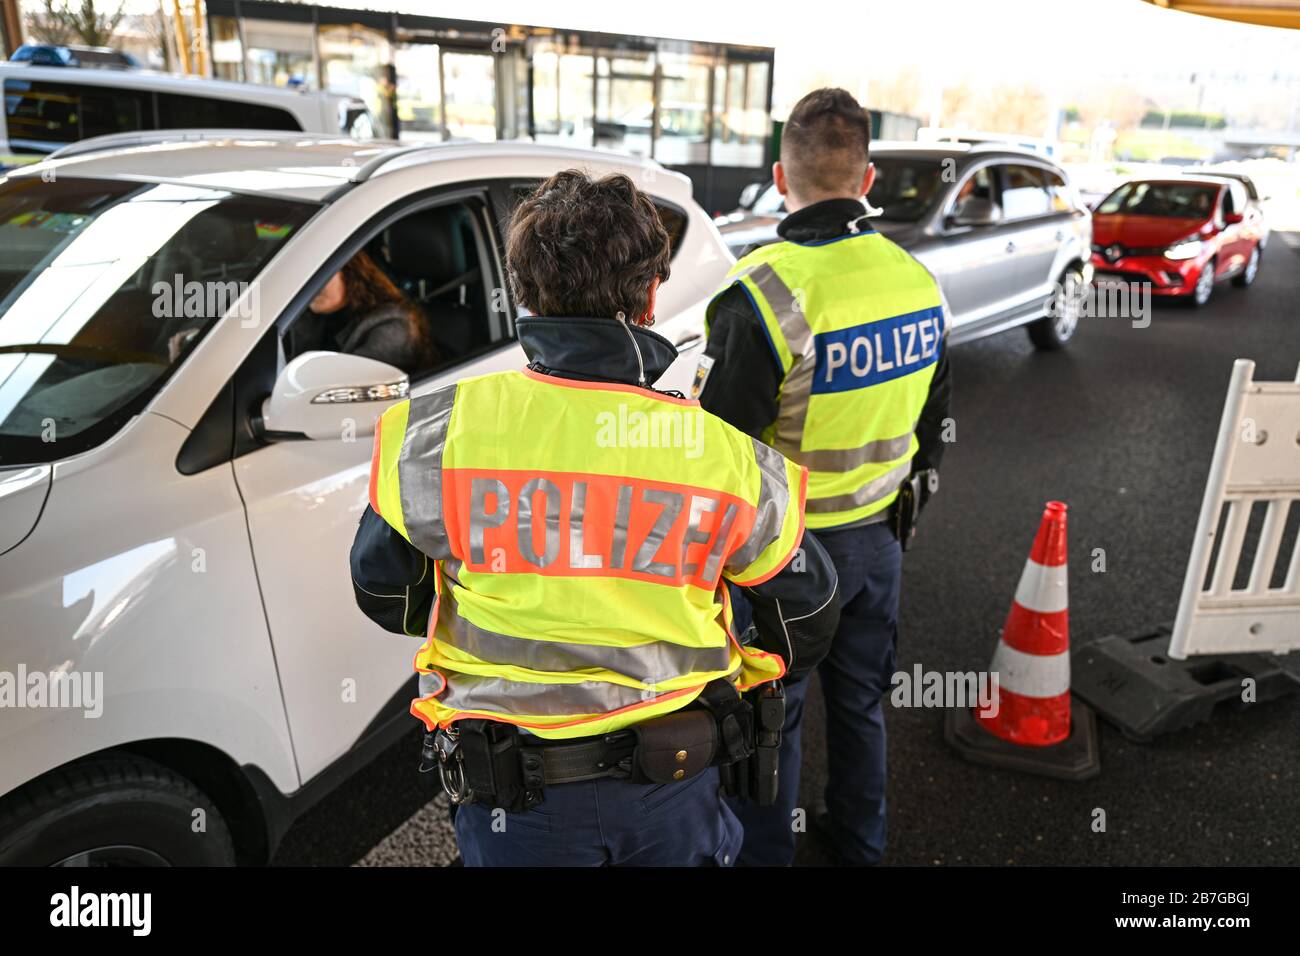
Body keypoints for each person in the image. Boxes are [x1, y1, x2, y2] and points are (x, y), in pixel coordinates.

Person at [348, 169, 840, 866]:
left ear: (523, 291)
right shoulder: (726, 457)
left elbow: (386, 593)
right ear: (648, 296)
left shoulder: (435, 434)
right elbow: (808, 612)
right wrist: (734, 672)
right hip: (672, 791)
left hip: (512, 807)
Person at [697, 88, 953, 866]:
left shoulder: (759, 293)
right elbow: (934, 427)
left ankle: (768, 856)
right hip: (880, 542)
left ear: (781, 175)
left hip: (786, 561)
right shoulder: (918, 281)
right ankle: (860, 846)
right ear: (867, 178)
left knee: (774, 722)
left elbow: (720, 453)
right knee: (863, 707)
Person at [287, 250, 437, 373]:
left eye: (320, 276)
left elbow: (350, 385)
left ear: (350, 274)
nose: (308, 286)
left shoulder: (395, 326)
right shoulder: (307, 318)